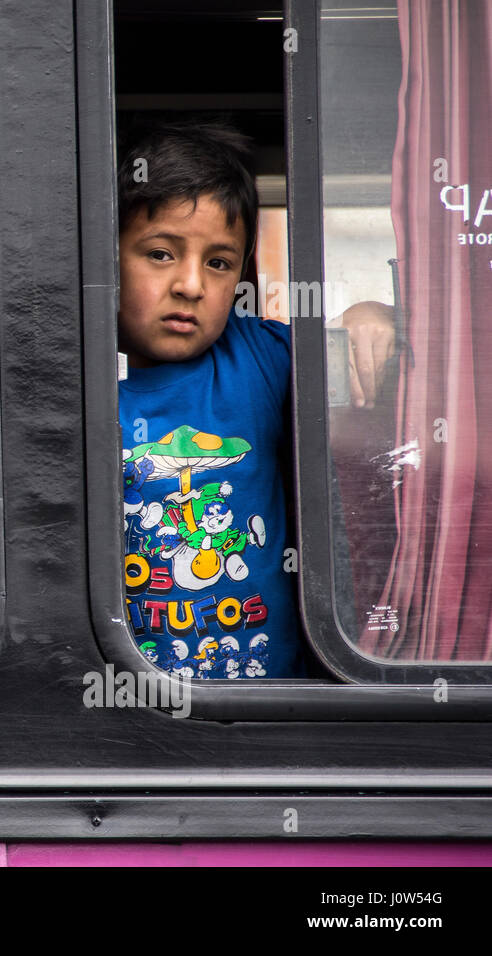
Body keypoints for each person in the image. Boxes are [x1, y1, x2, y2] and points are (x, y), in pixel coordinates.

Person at [117, 121, 393, 679]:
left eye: (218, 263)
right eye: (161, 254)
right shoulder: (65, 382)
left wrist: (373, 317)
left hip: (269, 706)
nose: (191, 284)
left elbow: (347, 349)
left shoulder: (258, 358)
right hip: (131, 708)